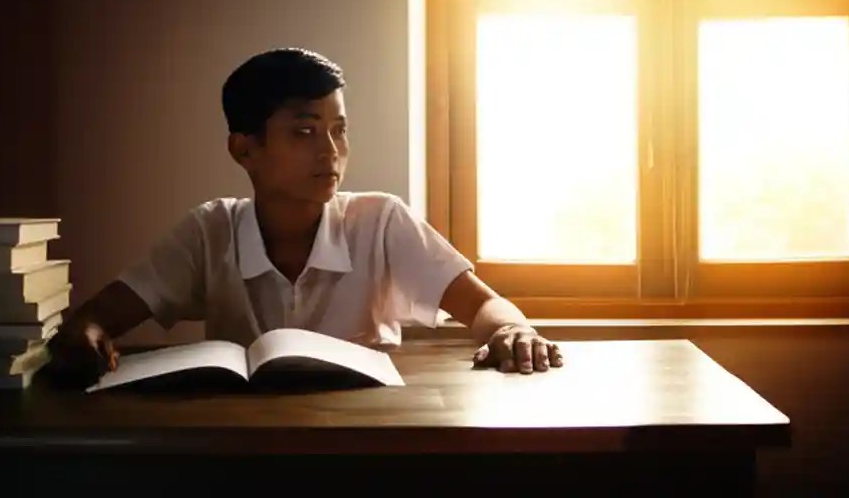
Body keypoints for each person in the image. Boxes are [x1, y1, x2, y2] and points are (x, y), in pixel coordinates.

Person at [43, 47, 563, 389]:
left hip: (373, 441)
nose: (331, 152)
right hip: (245, 453)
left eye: (340, 130)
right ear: (244, 150)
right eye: (305, 132)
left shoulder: (379, 220)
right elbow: (92, 320)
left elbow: (486, 306)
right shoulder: (209, 231)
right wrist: (83, 338)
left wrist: (512, 331)